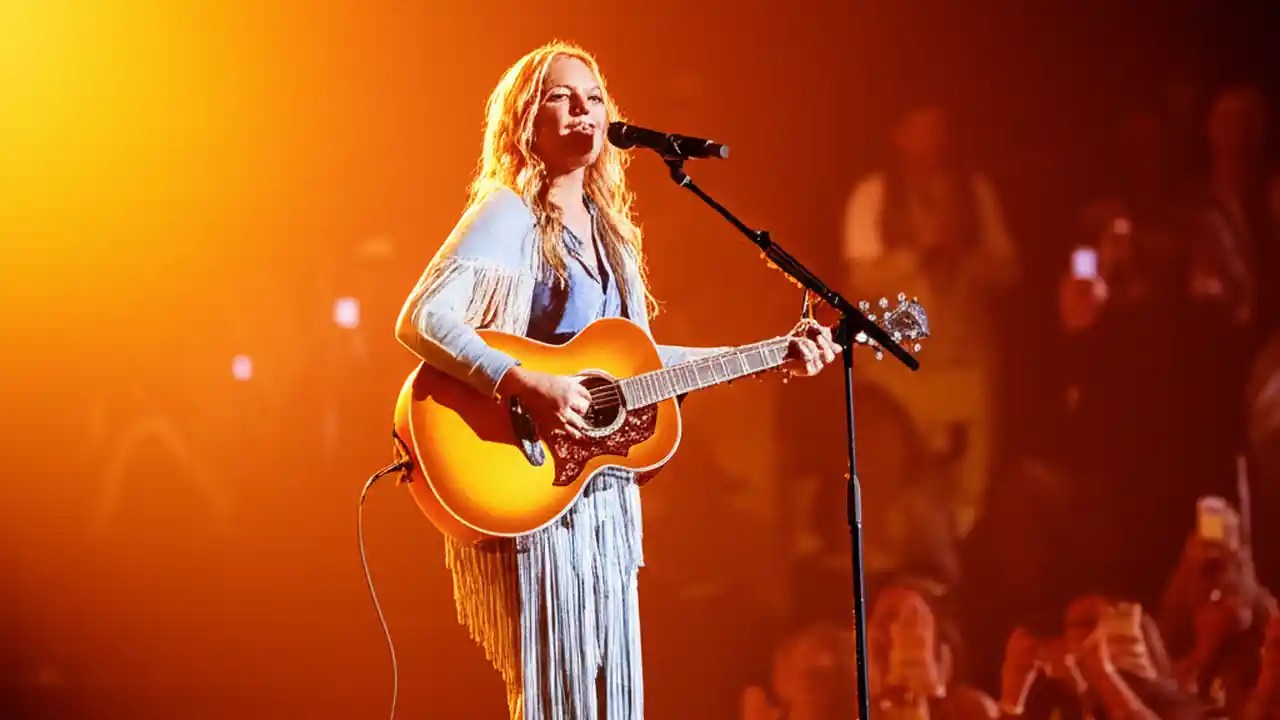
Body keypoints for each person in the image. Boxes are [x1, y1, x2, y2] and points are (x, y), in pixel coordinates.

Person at [393, 42, 838, 720]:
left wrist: (770, 352)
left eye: (594, 97)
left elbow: (638, 363)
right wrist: (526, 383)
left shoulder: (610, 235)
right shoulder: (508, 212)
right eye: (562, 96)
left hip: (599, 502)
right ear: (524, 120)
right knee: (557, 697)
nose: (583, 108)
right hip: (534, 470)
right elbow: (423, 316)